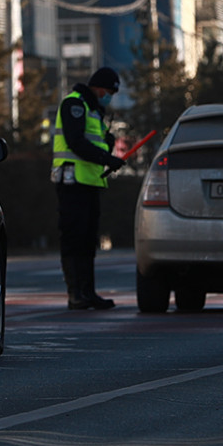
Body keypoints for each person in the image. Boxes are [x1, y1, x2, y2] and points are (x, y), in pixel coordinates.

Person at [51, 66, 125, 310]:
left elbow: (94, 143)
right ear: (99, 88)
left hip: (90, 182)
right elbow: (76, 142)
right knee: (73, 238)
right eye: (109, 93)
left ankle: (88, 292)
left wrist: (107, 145)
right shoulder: (74, 104)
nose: (109, 97)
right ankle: (76, 294)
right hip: (72, 182)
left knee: (87, 239)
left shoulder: (94, 111)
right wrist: (107, 158)